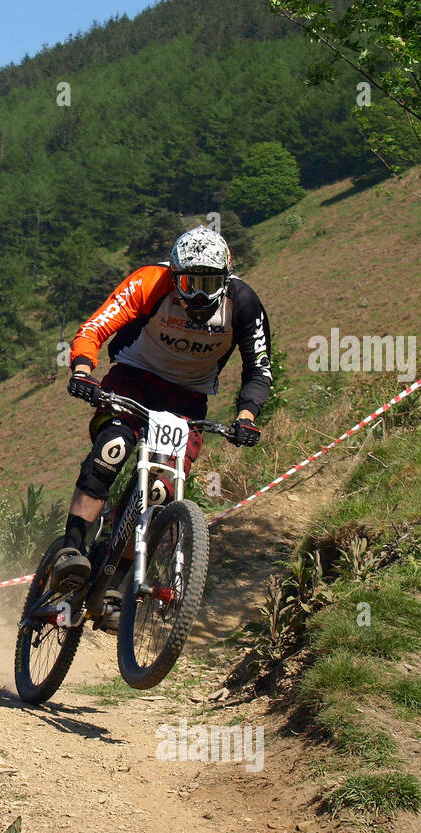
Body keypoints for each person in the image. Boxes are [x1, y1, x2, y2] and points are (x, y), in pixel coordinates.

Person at [51, 225, 272, 623]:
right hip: (133, 378)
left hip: (186, 398)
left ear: (226, 279)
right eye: (189, 283)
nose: (199, 296)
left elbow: (259, 369)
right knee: (111, 449)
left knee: (158, 491)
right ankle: (71, 550)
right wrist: (83, 369)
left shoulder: (243, 304)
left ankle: (115, 584)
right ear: (174, 276)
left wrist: (246, 416)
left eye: (209, 284)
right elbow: (95, 328)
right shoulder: (150, 282)